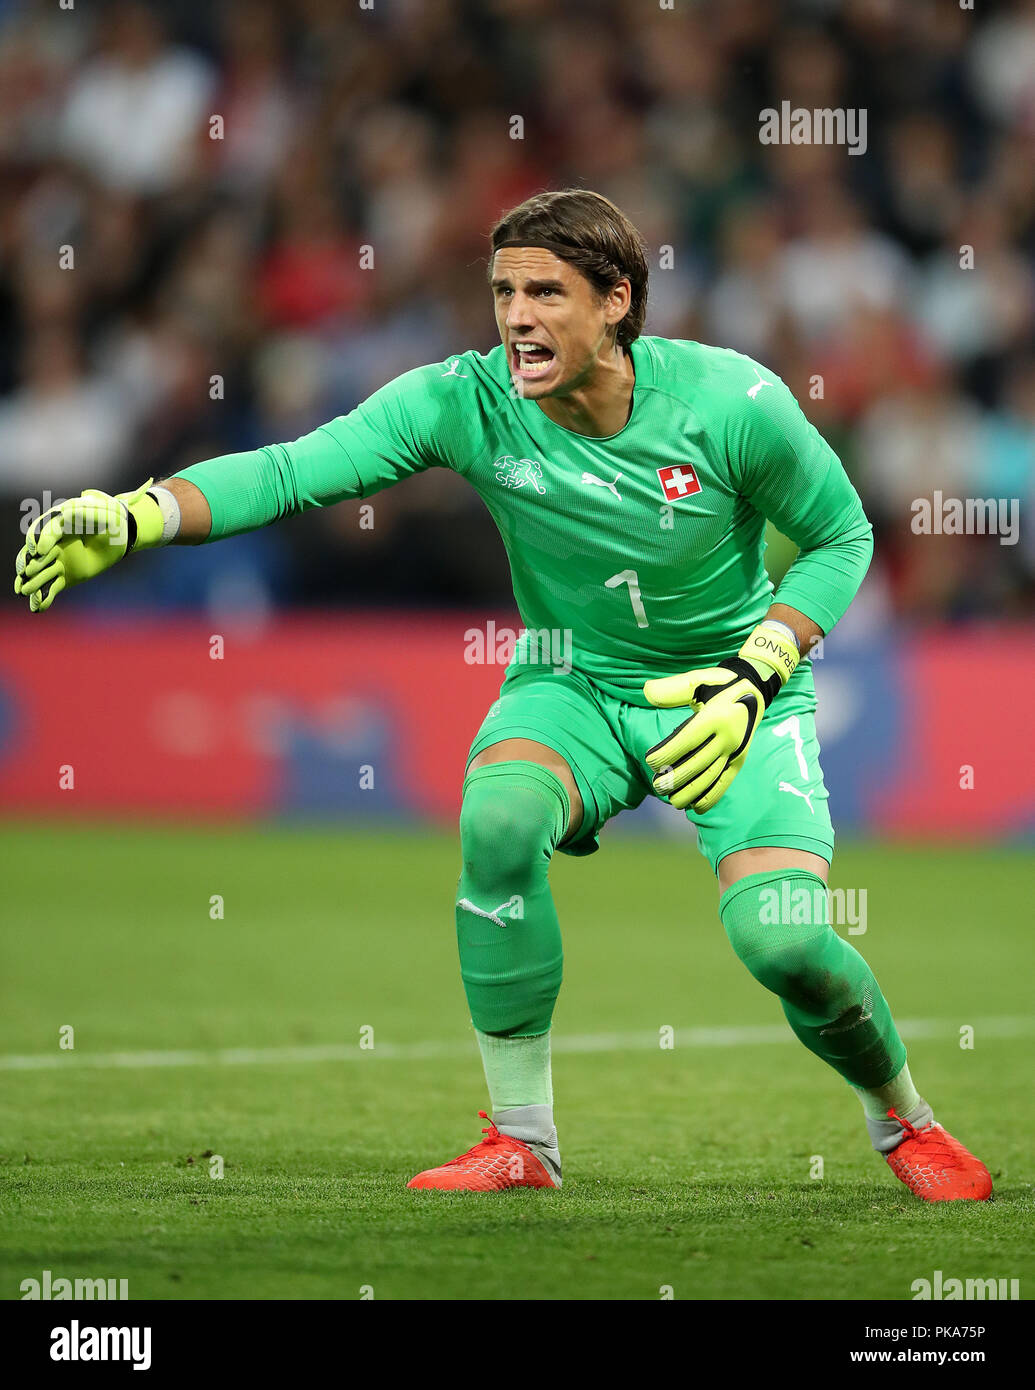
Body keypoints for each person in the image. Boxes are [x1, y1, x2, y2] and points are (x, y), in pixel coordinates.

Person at [15, 188, 991, 1201]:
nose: (517, 315)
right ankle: (522, 1138)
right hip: (573, 674)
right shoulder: (466, 401)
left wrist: (762, 668)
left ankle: (904, 1117)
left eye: (546, 292)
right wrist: (139, 513)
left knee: (785, 942)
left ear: (616, 301)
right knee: (500, 819)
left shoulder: (729, 403)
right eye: (504, 292)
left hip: (734, 690)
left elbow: (844, 537)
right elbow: (296, 468)